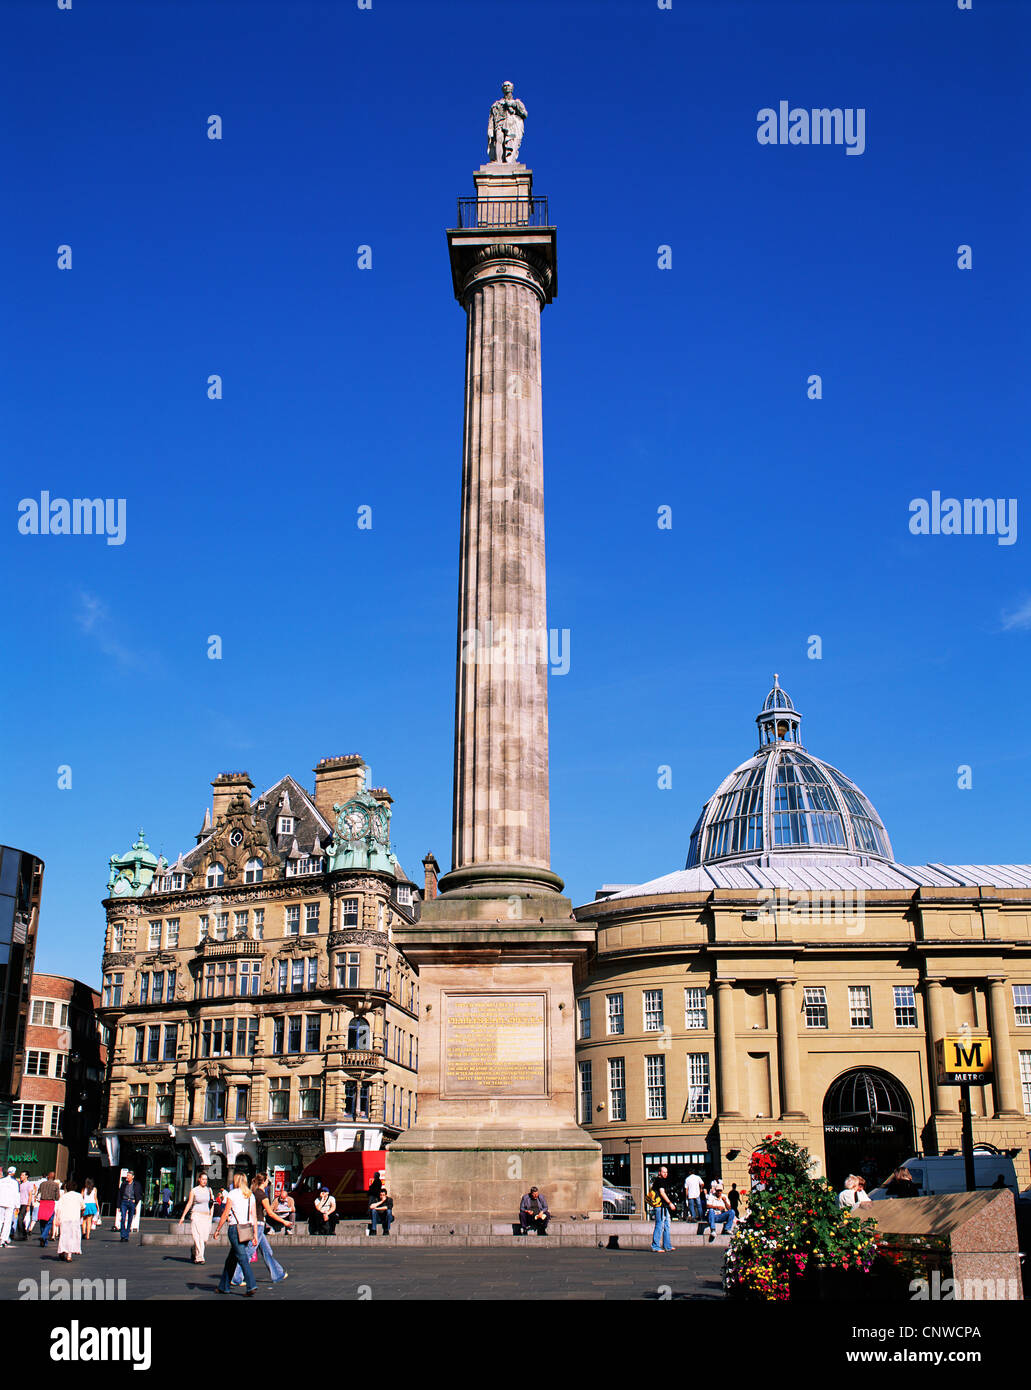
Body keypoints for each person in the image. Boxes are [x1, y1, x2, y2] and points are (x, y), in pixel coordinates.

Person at [231, 1174, 289, 1285]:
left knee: (266, 1251)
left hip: (254, 1223)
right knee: (249, 1251)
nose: (268, 1182)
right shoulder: (262, 1195)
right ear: (264, 1182)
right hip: (259, 1224)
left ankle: (277, 1273)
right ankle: (236, 1277)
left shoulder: (254, 1192)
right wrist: (284, 1222)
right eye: (267, 1180)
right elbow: (270, 1213)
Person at [214, 1173, 258, 1295]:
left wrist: (217, 1229)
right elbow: (254, 1216)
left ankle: (251, 1285)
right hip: (247, 1230)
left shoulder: (232, 1194)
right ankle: (224, 1286)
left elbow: (225, 1213)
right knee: (231, 1259)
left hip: (235, 1229)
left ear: (236, 1181)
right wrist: (255, 1234)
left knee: (242, 1257)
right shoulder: (250, 1195)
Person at [178, 1171, 213, 1264]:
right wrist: (183, 1216)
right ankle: (200, 1257)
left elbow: (212, 1204)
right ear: (199, 1179)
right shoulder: (194, 1190)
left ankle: (194, 1250)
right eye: (203, 1179)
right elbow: (189, 1203)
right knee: (198, 1237)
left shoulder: (209, 1190)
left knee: (204, 1238)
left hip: (206, 1215)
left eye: (206, 1179)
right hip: (196, 1214)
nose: (204, 1181)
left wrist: (211, 1215)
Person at [55, 1180, 85, 1262]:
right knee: (73, 1236)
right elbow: (83, 1207)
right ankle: (69, 1255)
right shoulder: (79, 1196)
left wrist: (57, 1219)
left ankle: (62, 1251)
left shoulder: (64, 1196)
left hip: (64, 1218)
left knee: (64, 1235)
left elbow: (59, 1208)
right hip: (75, 1219)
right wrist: (81, 1215)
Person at [648, 1166, 676, 1252]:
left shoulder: (661, 1180)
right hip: (659, 1206)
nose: (665, 1174)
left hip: (663, 1206)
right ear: (659, 1172)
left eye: (666, 1172)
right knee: (659, 1225)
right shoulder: (659, 1180)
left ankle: (667, 1245)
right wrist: (670, 1203)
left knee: (667, 1224)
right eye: (664, 1172)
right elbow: (662, 1193)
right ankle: (655, 1246)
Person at [37, 1172, 61, 1247]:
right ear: (54, 1178)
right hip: (50, 1203)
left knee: (42, 1221)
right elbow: (57, 1197)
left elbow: (38, 1193)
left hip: (42, 1202)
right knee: (49, 1222)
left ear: (47, 1177)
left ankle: (44, 1240)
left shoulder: (42, 1184)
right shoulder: (55, 1185)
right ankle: (43, 1236)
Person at [117, 1170, 142, 1242]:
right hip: (124, 1201)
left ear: (132, 1177)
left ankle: (126, 1235)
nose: (127, 1177)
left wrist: (136, 1201)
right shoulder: (124, 1184)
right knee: (123, 1218)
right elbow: (120, 1194)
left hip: (131, 1201)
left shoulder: (136, 1184)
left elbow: (139, 1193)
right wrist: (118, 1205)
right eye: (127, 1175)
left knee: (130, 1219)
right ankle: (122, 1235)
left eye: (128, 1176)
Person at [0, 1166, 19, 1246]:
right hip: (10, 1203)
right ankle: (3, 1239)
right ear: (14, 1172)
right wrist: (17, 1206)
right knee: (7, 1222)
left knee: (0, 1220)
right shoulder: (15, 1182)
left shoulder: (1, 1181)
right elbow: (16, 1194)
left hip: (1, 1202)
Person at [15, 1173, 34, 1241]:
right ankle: (23, 1234)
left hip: (25, 1203)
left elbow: (30, 1194)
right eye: (20, 1175)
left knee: (20, 1219)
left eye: (22, 1175)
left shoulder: (29, 1184)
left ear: (26, 1176)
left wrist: (29, 1205)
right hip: (20, 1203)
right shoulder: (20, 1184)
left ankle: (23, 1234)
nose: (21, 1176)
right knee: (19, 1219)